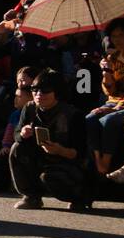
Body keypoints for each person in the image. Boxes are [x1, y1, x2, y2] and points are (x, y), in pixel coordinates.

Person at [10, 68, 88, 209]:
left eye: (45, 90)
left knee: (50, 178)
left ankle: (79, 198)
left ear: (57, 92)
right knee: (17, 147)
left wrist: (61, 151)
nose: (39, 94)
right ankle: (31, 196)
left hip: (66, 164)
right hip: (40, 158)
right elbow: (15, 134)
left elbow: (82, 153)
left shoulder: (73, 115)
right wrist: (22, 134)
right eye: (34, 90)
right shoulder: (29, 108)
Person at [87, 17, 124, 179]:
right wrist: (106, 72)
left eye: (121, 35)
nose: (117, 40)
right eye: (114, 36)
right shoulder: (114, 59)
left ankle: (105, 163)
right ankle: (97, 160)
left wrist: (114, 108)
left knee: (109, 120)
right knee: (90, 118)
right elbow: (110, 92)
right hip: (114, 102)